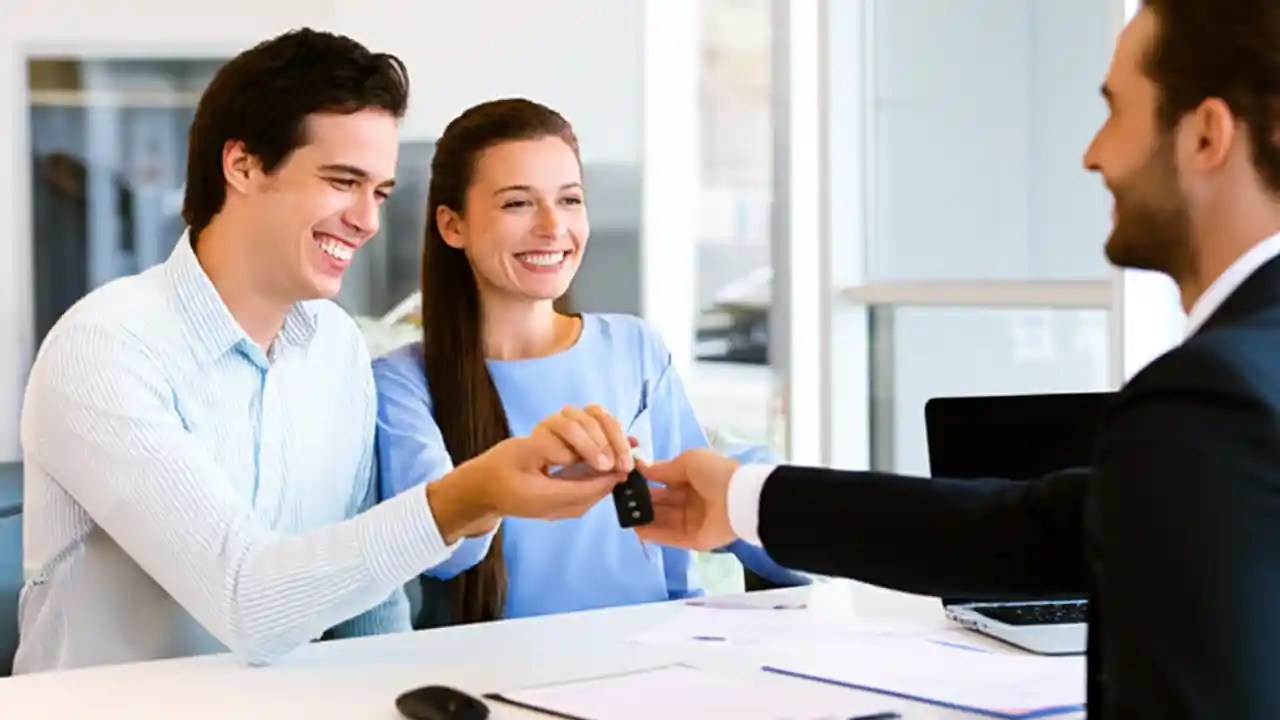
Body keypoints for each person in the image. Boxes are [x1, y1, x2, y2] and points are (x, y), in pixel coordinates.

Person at [636, 2, 1280, 718]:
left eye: (1116, 110)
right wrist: (738, 498)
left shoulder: (1213, 394)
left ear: (1205, 134)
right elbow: (1015, 533)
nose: (1093, 153)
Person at [15, 30, 635, 675]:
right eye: (343, 181)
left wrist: (405, 696)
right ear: (243, 166)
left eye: (380, 192)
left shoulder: (335, 349)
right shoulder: (106, 348)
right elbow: (246, 601)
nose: (367, 220)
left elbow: (369, 607)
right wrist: (464, 497)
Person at [374, 98, 802, 627]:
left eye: (570, 199)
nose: (553, 226)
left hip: (660, 648)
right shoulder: (401, 383)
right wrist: (498, 483)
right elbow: (439, 554)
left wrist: (784, 509)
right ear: (452, 225)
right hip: (500, 664)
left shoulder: (634, 347)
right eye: (517, 203)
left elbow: (706, 513)